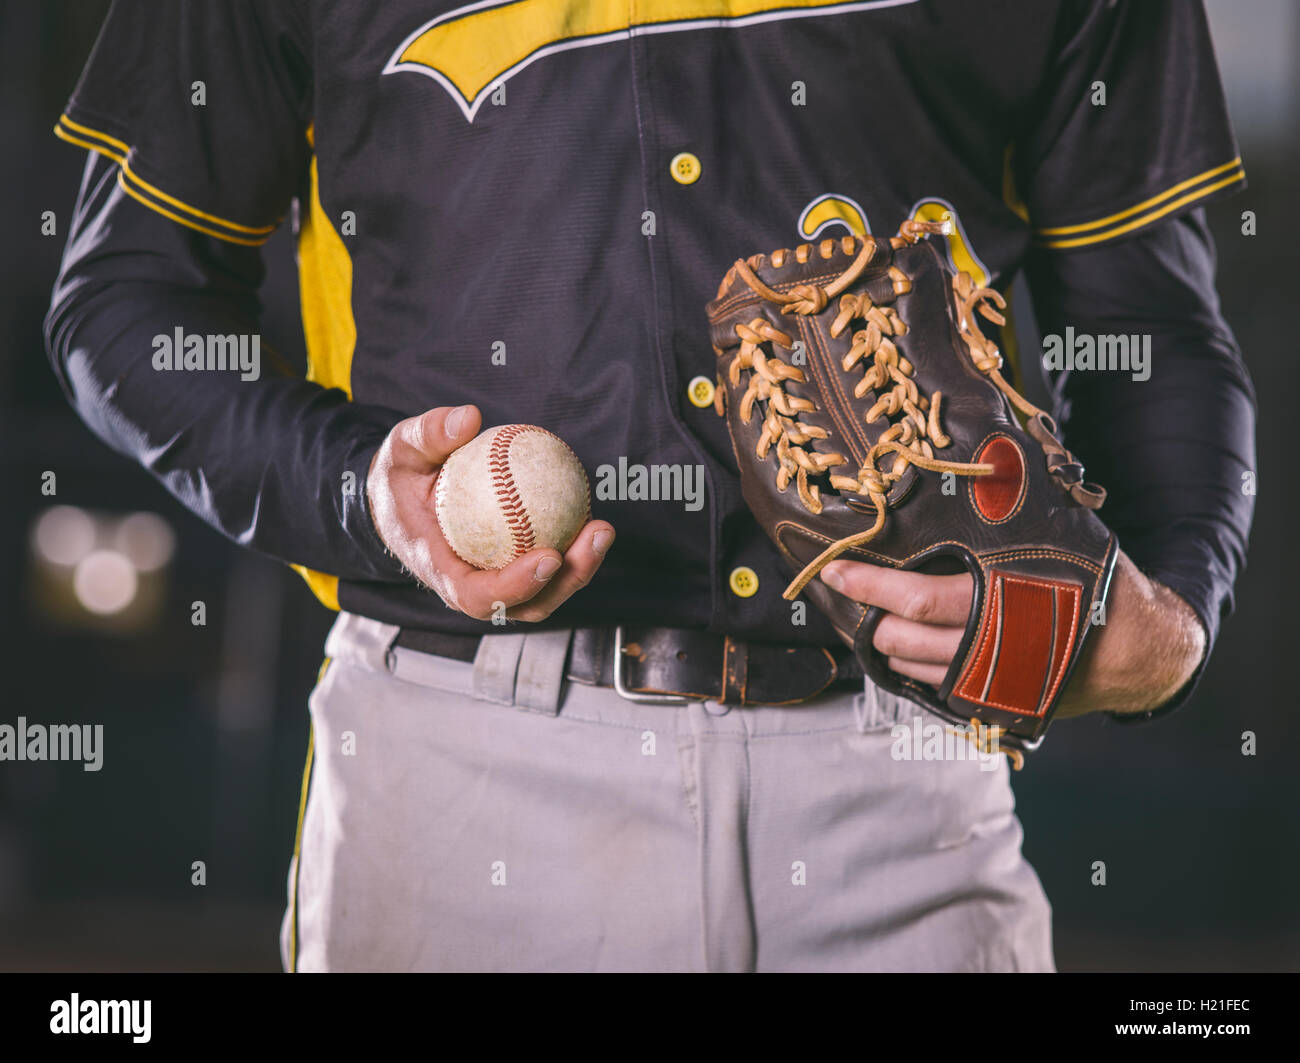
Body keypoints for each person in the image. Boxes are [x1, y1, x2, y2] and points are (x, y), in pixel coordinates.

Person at [46, 0, 1255, 972]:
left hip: (902, 777)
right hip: (468, 771)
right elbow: (124, 300)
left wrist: (1169, 626)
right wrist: (363, 490)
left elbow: (1151, 324)